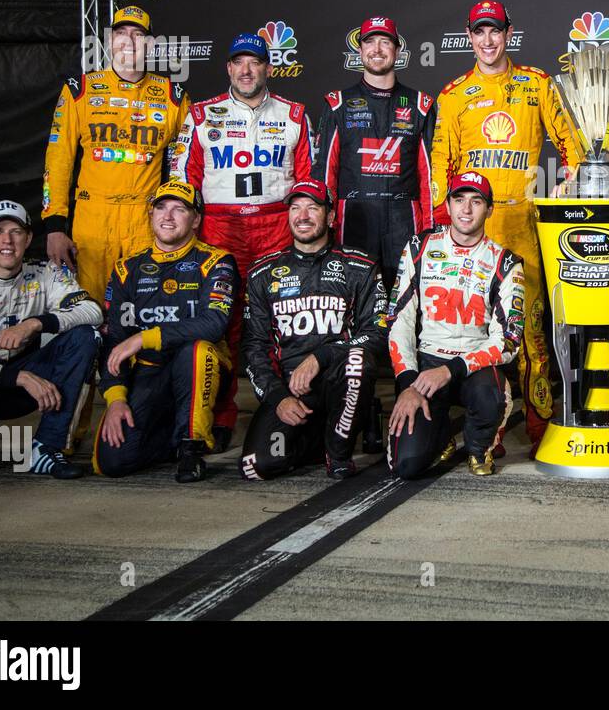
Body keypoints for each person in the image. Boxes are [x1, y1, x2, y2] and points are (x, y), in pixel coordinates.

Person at [429, 0, 579, 448]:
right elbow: (441, 167)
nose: (488, 40)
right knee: (478, 332)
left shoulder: (537, 84)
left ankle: (540, 425)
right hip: (475, 230)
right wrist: (446, 225)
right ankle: (486, 430)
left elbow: (571, 143)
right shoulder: (453, 94)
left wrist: (569, 184)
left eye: (495, 31)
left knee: (532, 333)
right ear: (469, 36)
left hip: (525, 226)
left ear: (508, 33)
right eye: (480, 32)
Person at [43, 5, 189, 445]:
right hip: (91, 223)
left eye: (138, 36)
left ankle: (139, 423)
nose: (129, 43)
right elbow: (59, 159)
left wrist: (178, 221)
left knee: (143, 324)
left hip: (147, 225)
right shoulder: (81, 89)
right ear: (108, 43)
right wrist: (54, 224)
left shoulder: (173, 96)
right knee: (85, 327)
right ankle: (68, 433)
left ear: (151, 45)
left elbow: (183, 167)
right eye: (121, 35)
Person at [170, 33, 314, 451]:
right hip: (220, 226)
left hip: (275, 223)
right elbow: (183, 183)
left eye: (255, 62)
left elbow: (308, 181)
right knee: (222, 323)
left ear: (269, 68)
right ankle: (220, 415)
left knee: (285, 320)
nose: (247, 70)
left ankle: (289, 408)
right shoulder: (201, 115)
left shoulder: (293, 115)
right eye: (239, 63)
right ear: (229, 68)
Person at [0, 201, 102, 477]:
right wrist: (20, 377)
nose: (7, 240)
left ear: (29, 237)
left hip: (29, 387)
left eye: (16, 231)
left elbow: (92, 312)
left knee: (86, 336)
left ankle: (46, 448)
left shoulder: (45, 272)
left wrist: (34, 324)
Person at [240, 179, 388, 481]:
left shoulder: (360, 266)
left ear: (331, 217)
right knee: (257, 467)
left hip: (340, 378)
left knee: (358, 361)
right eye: (295, 208)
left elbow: (379, 332)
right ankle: (327, 430)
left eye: (312, 207)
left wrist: (321, 356)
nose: (302, 215)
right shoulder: (262, 273)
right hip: (291, 390)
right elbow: (254, 347)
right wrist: (278, 397)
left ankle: (338, 452)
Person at [93, 180, 239, 482]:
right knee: (111, 462)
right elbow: (115, 341)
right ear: (151, 215)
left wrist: (144, 336)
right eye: (160, 208)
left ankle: (190, 448)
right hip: (149, 372)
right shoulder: (126, 269)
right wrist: (116, 398)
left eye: (179, 209)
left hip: (201, 369)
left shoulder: (216, 261)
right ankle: (169, 434)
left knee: (195, 351)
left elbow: (214, 324)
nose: (168, 216)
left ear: (196, 219)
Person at [388, 172, 524, 478]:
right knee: (406, 467)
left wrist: (451, 369)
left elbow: (509, 341)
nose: (466, 209)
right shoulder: (418, 248)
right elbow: (400, 319)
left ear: (489, 210)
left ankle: (478, 448)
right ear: (447, 205)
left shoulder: (505, 262)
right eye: (459, 200)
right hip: (426, 364)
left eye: (476, 201)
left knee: (491, 396)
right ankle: (439, 437)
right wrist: (408, 382)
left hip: (472, 365)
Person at [313, 16, 436, 291]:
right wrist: (324, 223)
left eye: (385, 42)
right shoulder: (338, 104)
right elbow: (323, 173)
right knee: (352, 297)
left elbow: (429, 177)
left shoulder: (420, 105)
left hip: (404, 219)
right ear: (359, 50)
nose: (377, 49)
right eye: (370, 42)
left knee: (407, 299)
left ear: (398, 50)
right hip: (353, 217)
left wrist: (430, 229)